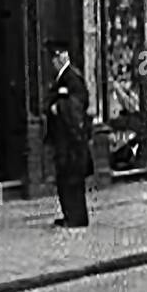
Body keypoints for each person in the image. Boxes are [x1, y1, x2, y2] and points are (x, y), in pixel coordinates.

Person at [44, 40, 92, 228]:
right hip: (64, 139)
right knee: (65, 178)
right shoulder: (61, 78)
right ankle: (70, 215)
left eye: (55, 58)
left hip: (71, 141)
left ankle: (76, 217)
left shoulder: (72, 77)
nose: (53, 63)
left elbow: (78, 103)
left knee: (71, 179)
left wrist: (59, 107)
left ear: (62, 57)